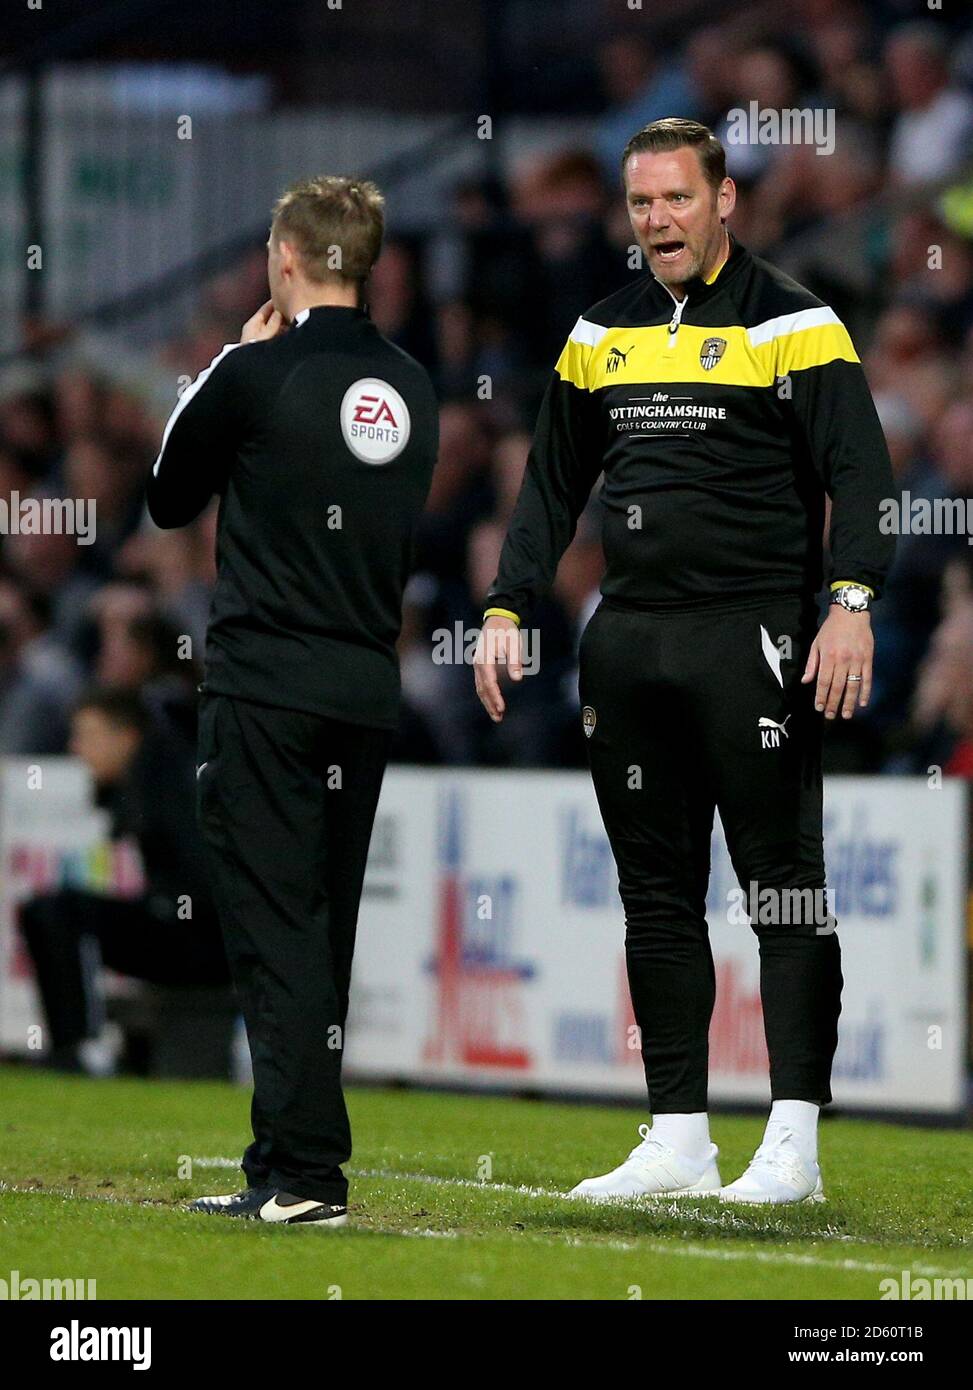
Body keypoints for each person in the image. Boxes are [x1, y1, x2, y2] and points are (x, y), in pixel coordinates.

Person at [474, 119, 895, 1205]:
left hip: (751, 637)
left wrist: (849, 604)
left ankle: (793, 1142)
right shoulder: (598, 330)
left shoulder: (793, 321)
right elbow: (550, 484)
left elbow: (861, 473)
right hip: (629, 641)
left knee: (782, 892)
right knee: (653, 896)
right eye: (641, 202)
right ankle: (678, 1136)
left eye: (675, 198)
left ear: (723, 201)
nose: (657, 219)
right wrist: (509, 602)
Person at [147, 176, 438, 1227]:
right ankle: (281, 1162)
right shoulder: (413, 386)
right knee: (321, 930)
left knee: (274, 930)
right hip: (362, 688)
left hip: (266, 686)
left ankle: (309, 1175)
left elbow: (167, 495)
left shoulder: (255, 372)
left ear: (285, 258)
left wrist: (226, 361)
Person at [20, 687, 228, 1072]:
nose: (76, 748)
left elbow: (204, 873)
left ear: (127, 736)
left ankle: (81, 1047)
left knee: (57, 913)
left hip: (205, 939)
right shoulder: (156, 771)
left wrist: (165, 906)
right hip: (199, 932)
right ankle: (79, 1046)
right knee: (55, 911)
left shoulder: (168, 776)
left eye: (87, 735)